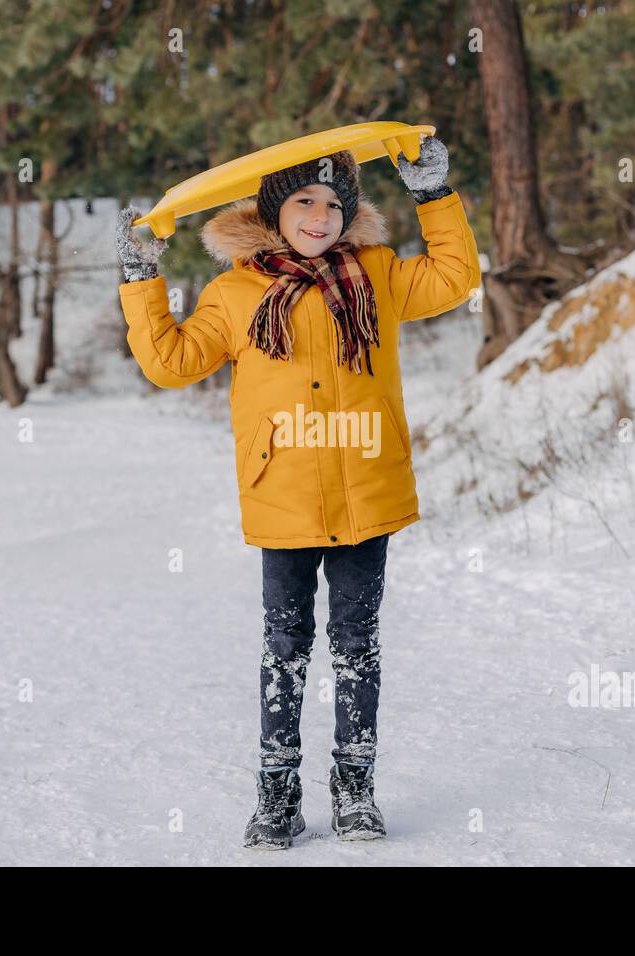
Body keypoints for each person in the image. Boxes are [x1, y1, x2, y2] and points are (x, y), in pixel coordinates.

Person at [115, 135, 480, 849]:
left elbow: (455, 277)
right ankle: (277, 798)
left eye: (335, 203)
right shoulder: (236, 293)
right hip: (281, 496)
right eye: (305, 202)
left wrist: (435, 196)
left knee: (357, 645)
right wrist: (140, 276)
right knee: (285, 646)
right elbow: (169, 361)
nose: (320, 216)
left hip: (365, 494)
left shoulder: (375, 274)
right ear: (274, 212)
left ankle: (354, 791)